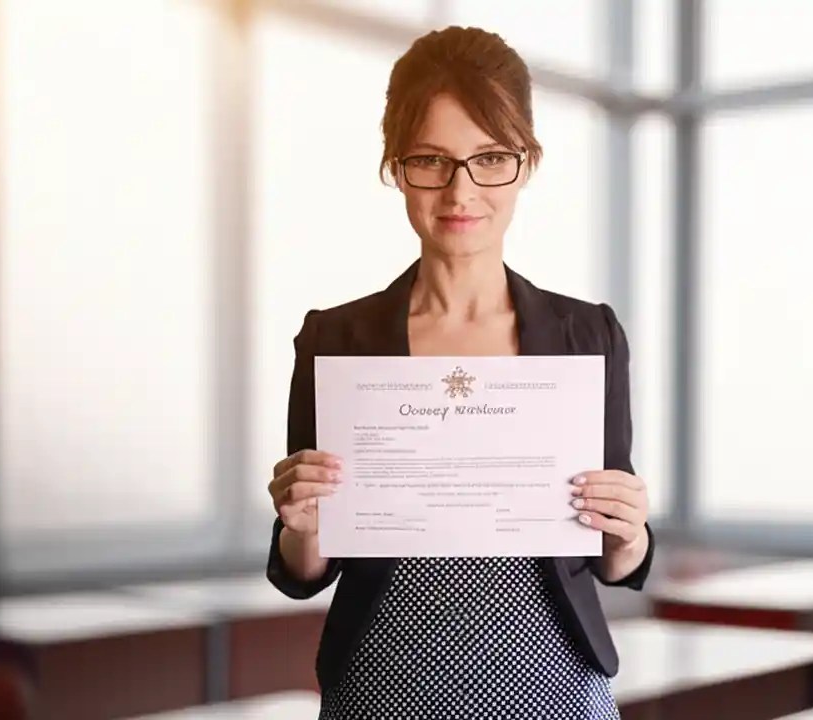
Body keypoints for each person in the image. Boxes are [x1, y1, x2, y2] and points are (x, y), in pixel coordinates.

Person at [265, 25, 654, 719]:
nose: (460, 191)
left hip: (554, 681)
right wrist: (301, 528)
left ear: (527, 164)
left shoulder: (587, 335)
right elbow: (302, 572)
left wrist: (630, 533)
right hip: (384, 680)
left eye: (490, 158)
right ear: (395, 167)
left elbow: (609, 558)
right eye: (431, 161)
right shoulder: (335, 340)